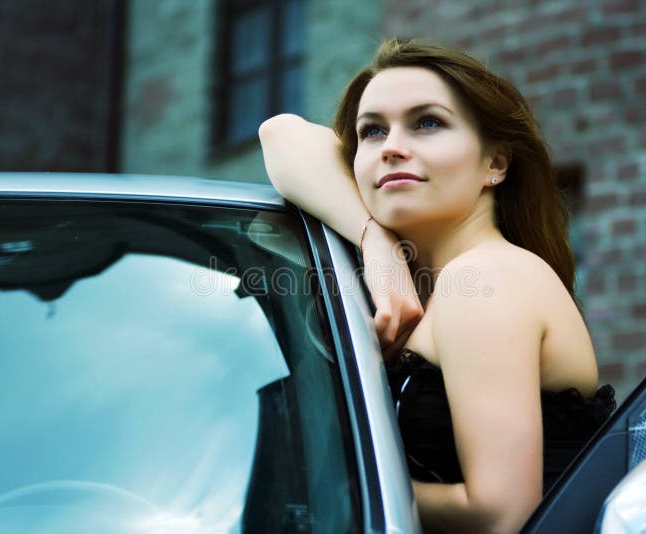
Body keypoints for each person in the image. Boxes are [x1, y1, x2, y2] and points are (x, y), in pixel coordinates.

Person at [259, 38, 615, 533]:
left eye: (427, 122)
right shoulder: (442, 282)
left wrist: (326, 487)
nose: (393, 147)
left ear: (496, 164)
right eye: (372, 131)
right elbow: (278, 134)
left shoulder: (486, 277)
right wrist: (374, 243)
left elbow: (500, 514)